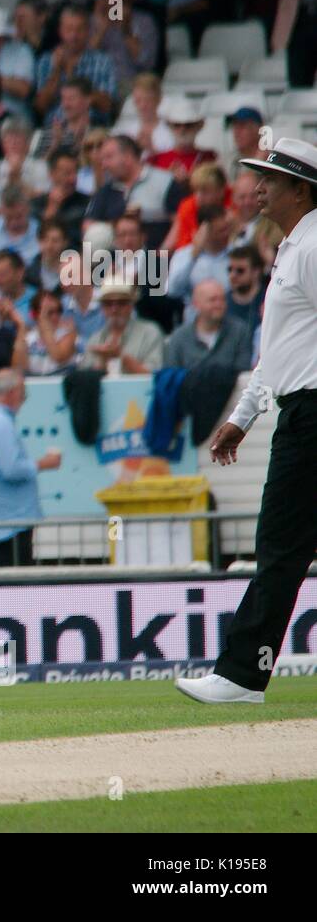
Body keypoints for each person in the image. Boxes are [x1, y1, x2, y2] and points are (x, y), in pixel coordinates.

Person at [178, 137, 317, 704]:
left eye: (271, 179)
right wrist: (244, 415)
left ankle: (240, 675)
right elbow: (279, 349)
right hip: (300, 409)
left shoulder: (310, 248)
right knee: (283, 547)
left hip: (312, 414)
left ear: (302, 188)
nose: (258, 187)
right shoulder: (292, 247)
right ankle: (241, 673)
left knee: (280, 546)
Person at [0, 368, 62, 566]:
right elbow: (11, 469)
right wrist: (44, 463)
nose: (24, 400)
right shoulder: (0, 424)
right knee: (18, 582)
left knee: (6, 578)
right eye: (24, 394)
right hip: (11, 519)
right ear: (13, 392)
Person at [86, 134, 186, 248]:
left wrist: (162, 254)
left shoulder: (164, 182)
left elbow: (181, 221)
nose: (104, 166)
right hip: (118, 261)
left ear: (128, 156)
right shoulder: (106, 191)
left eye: (109, 157)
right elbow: (89, 225)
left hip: (157, 258)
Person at [33, 3, 117, 121]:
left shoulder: (102, 61)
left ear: (88, 31)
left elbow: (108, 105)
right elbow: (41, 107)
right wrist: (57, 71)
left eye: (79, 29)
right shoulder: (46, 60)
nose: (74, 35)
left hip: (92, 128)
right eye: (69, 29)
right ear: (60, 31)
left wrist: (70, 75)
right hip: (55, 128)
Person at [164, 280, 254, 372]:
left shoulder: (240, 331)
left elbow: (244, 371)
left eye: (222, 299)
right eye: (213, 300)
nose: (219, 304)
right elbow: (171, 376)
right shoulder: (179, 336)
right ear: (196, 304)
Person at [81, 278, 165, 374]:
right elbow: (85, 379)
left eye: (121, 303)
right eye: (108, 304)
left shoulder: (150, 333)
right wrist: (102, 363)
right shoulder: (95, 339)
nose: (114, 309)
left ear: (131, 305)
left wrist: (120, 357)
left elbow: (155, 376)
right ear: (102, 307)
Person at [31, 150, 88, 246]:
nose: (73, 179)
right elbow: (37, 239)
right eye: (67, 173)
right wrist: (52, 207)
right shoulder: (36, 205)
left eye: (75, 172)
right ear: (52, 174)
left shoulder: (86, 203)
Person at [24, 288, 78, 375]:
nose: (55, 316)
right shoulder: (29, 336)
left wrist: (45, 325)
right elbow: (18, 366)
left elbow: (58, 357)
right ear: (34, 314)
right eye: (49, 312)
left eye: (58, 310)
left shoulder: (67, 333)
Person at [225, 244, 267, 339]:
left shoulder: (268, 300)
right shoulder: (223, 302)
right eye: (230, 269)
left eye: (240, 270)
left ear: (256, 272)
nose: (233, 275)